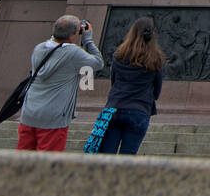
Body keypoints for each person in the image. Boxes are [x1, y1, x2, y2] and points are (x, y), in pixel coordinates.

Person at [17, 14, 103, 152]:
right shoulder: (73, 53)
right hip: (54, 117)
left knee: (23, 160)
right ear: (74, 33)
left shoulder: (39, 48)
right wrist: (88, 39)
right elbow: (98, 63)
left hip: (29, 113)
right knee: (48, 163)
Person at [97, 16, 165, 155]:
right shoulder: (156, 58)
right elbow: (157, 92)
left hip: (115, 108)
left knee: (106, 157)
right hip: (140, 110)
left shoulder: (119, 55)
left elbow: (114, 82)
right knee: (128, 157)